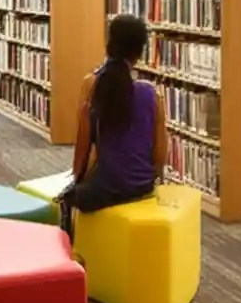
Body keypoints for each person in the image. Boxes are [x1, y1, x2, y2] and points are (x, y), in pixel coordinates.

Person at [55, 14, 167, 242]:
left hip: (107, 187)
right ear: (139, 52)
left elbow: (83, 148)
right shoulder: (151, 93)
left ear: (109, 45)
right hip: (142, 184)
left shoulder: (93, 86)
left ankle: (71, 255)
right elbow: (159, 155)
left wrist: (77, 180)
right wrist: (153, 181)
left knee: (65, 200)